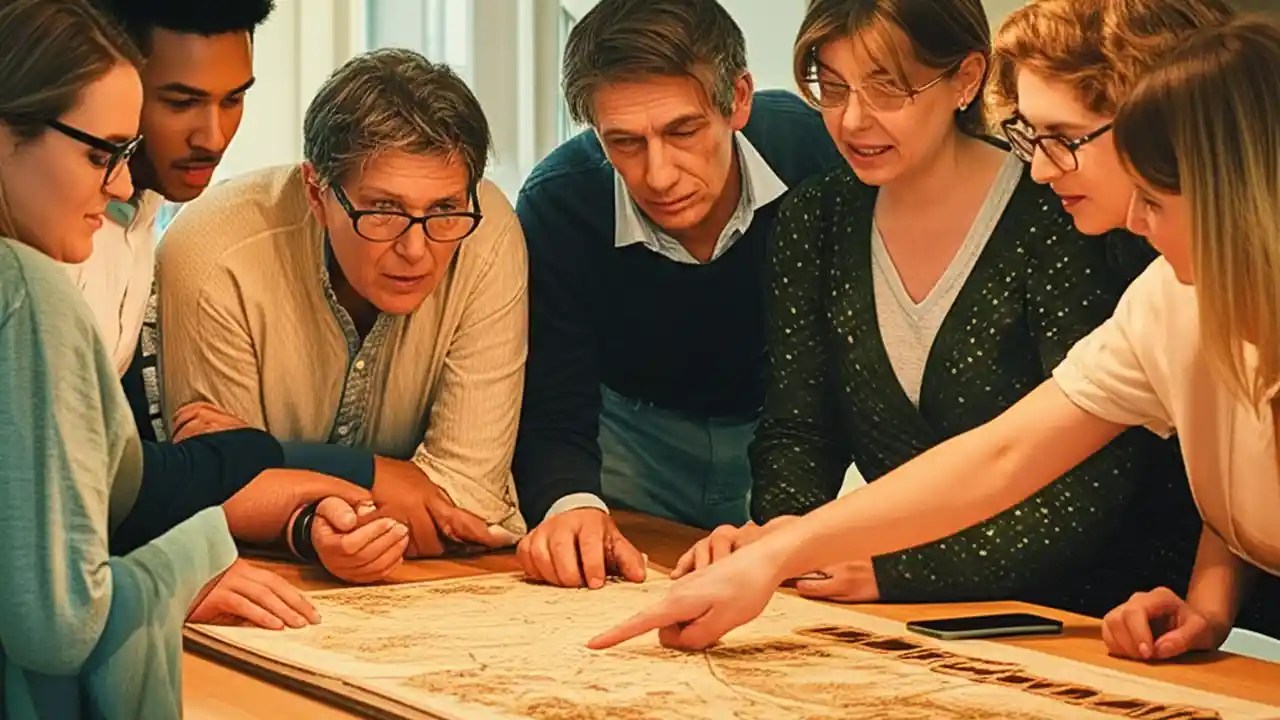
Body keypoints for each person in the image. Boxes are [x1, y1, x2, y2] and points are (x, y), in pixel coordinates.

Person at [588, 14, 1280, 664]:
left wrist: (834, 560)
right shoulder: (1168, 299)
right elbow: (1003, 453)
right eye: (831, 87)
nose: (1039, 170)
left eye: (1153, 200)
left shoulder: (1096, 254)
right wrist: (777, 553)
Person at [679, 0, 1198, 619]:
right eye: (832, 87)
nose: (852, 120)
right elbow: (808, 426)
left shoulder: (1074, 219)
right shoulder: (815, 220)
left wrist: (881, 565)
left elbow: (1076, 473)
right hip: (921, 616)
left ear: (966, 80)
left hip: (1093, 610)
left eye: (887, 88)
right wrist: (784, 539)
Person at [0, 1, 295, 715]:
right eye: (100, 154)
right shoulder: (30, 293)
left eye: (125, 155)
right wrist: (199, 552)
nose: (124, 187)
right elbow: (58, 625)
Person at [512, 0, 844, 590]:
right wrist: (571, 505)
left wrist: (786, 518)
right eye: (624, 142)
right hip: (630, 444)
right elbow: (553, 398)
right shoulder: (559, 202)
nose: (658, 175)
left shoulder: (816, 154)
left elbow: (833, 367)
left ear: (738, 99)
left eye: (682, 131)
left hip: (783, 428)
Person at [157, 48, 527, 572]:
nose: (416, 250)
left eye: (443, 209)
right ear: (316, 191)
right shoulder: (213, 251)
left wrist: (293, 470)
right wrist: (362, 492)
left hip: (441, 583)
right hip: (251, 579)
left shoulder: (486, 231)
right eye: (383, 210)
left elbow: (465, 501)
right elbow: (216, 489)